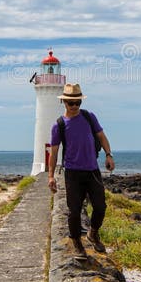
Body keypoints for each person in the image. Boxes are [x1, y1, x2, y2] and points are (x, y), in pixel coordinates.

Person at [48, 83, 115, 260]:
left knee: (100, 207)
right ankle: (76, 242)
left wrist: (109, 155)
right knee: (74, 211)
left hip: (92, 170)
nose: (75, 106)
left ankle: (93, 234)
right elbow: (54, 153)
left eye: (78, 102)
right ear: (64, 102)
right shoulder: (59, 125)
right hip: (72, 173)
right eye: (71, 103)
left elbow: (101, 136)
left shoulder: (89, 116)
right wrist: (51, 177)